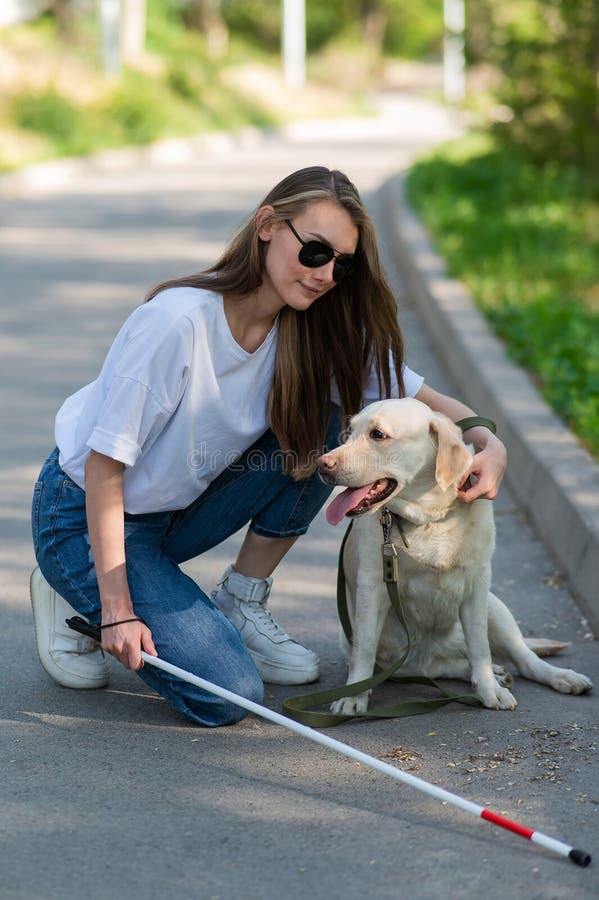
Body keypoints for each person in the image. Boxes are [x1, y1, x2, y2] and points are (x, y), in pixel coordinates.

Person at [30, 166, 507, 727]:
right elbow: (106, 469)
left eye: (342, 265)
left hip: (170, 515)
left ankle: (242, 597)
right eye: (315, 253)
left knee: (339, 429)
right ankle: (74, 586)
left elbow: (425, 402)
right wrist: (116, 612)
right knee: (230, 693)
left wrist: (488, 442)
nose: (327, 274)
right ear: (265, 226)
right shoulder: (175, 325)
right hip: (84, 517)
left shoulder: (308, 331)